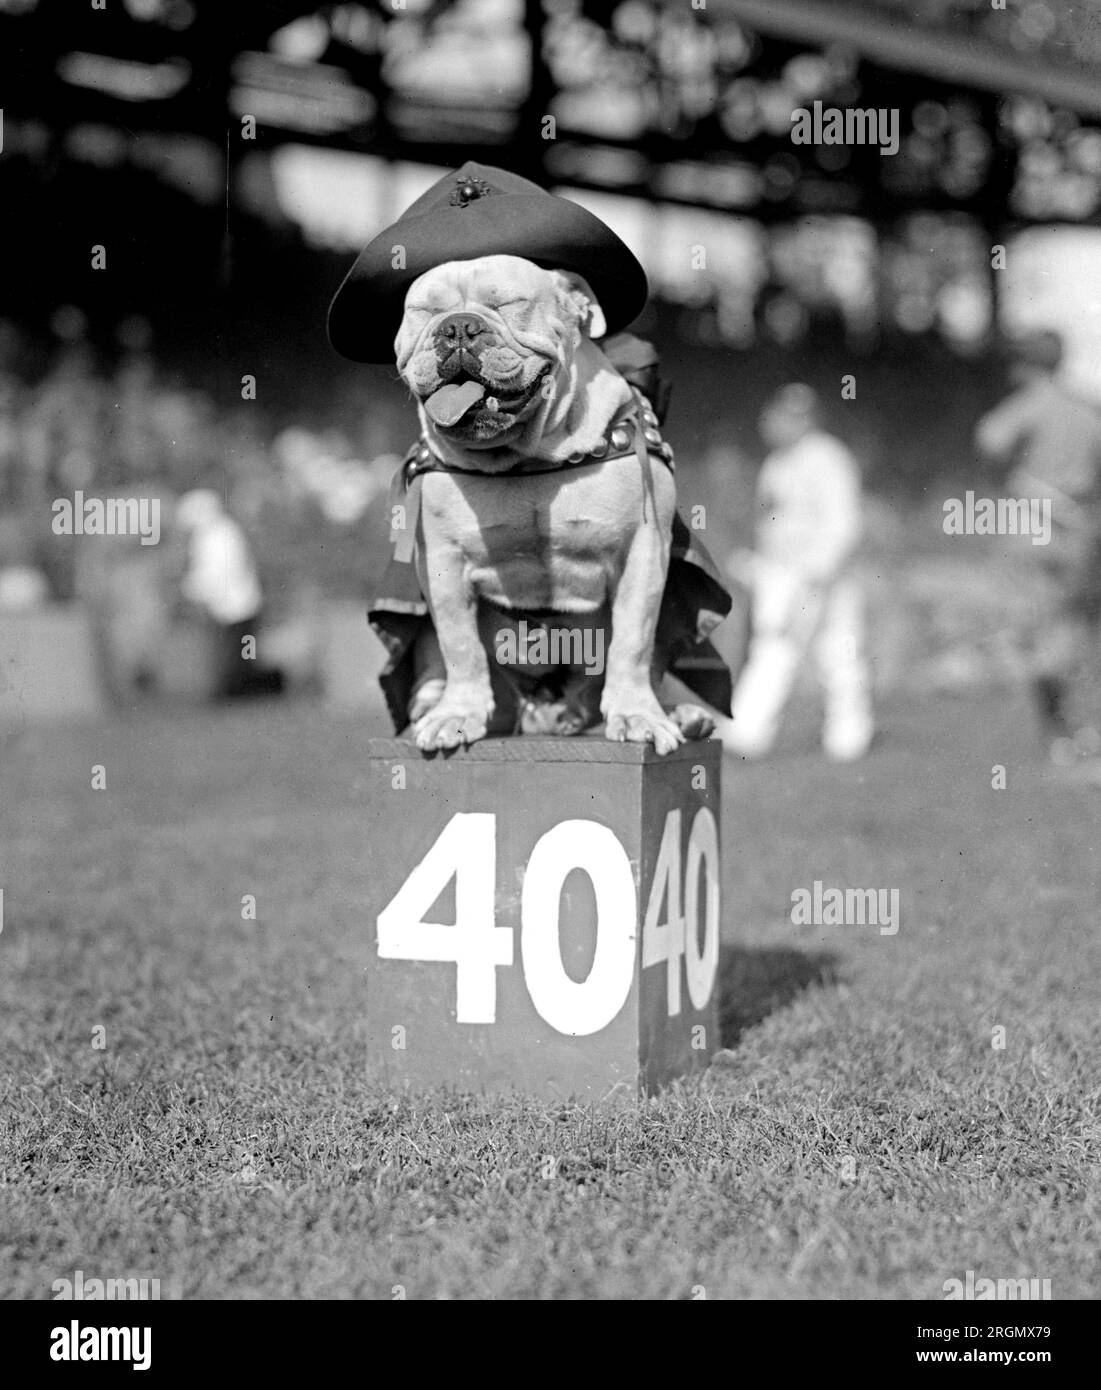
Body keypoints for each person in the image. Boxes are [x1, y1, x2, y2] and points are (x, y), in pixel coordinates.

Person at [717, 384, 873, 761]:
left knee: (837, 652)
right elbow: (773, 520)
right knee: (778, 646)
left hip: (820, 573)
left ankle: (848, 738)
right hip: (784, 573)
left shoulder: (828, 457)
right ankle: (750, 731)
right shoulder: (778, 462)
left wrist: (821, 569)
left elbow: (844, 519)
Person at [974, 330, 1101, 765]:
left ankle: (1059, 732)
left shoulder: (1033, 403)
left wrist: (1016, 476)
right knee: (1070, 631)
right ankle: (1079, 730)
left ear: (1026, 364)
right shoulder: (1086, 411)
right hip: (1078, 534)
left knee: (1031, 634)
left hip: (1034, 531)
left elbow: (988, 438)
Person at [175, 489, 281, 698]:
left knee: (242, 653)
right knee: (238, 654)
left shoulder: (218, 535)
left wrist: (191, 589)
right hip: (227, 606)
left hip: (237, 606)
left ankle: (248, 690)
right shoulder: (213, 534)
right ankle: (240, 690)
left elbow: (218, 573)